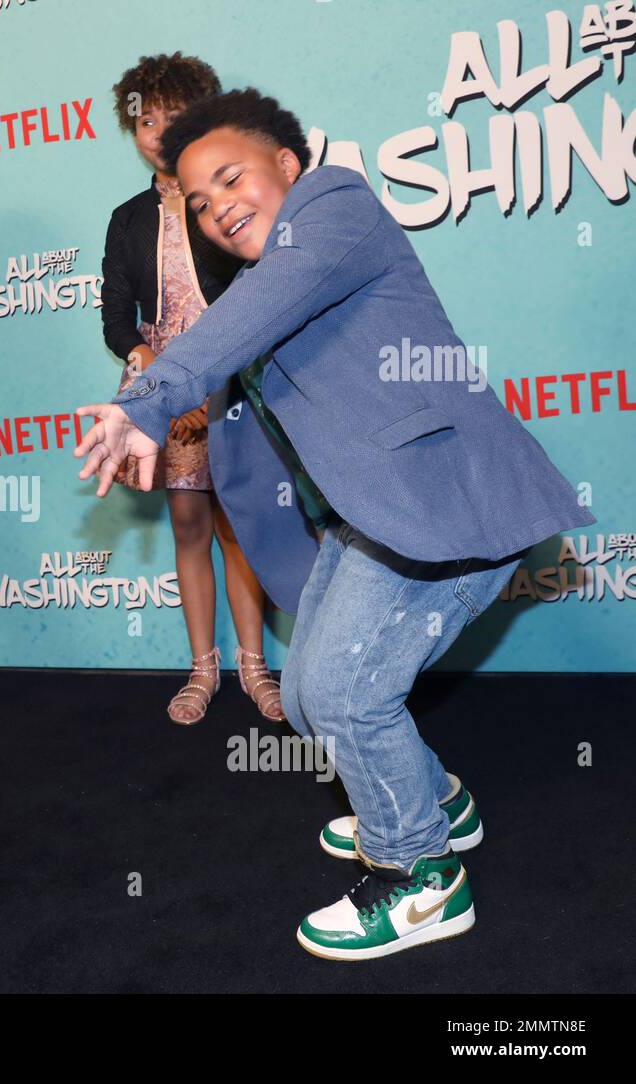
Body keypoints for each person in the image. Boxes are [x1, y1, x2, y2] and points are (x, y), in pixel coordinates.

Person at [74, 88, 595, 959]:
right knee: (312, 701)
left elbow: (244, 324)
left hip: (443, 504)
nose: (216, 208)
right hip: (371, 520)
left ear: (289, 164)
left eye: (230, 178)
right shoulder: (267, 282)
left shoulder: (337, 207)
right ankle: (434, 804)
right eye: (197, 202)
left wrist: (154, 396)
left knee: (351, 696)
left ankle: (420, 878)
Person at [101, 53, 285, 725]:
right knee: (188, 524)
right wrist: (147, 357)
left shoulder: (229, 201)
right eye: (144, 119)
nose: (156, 130)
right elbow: (114, 316)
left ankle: (255, 668)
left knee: (240, 527)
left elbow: (263, 286)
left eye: (172, 116)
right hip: (170, 396)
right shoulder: (127, 219)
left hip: (236, 384)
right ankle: (201, 669)